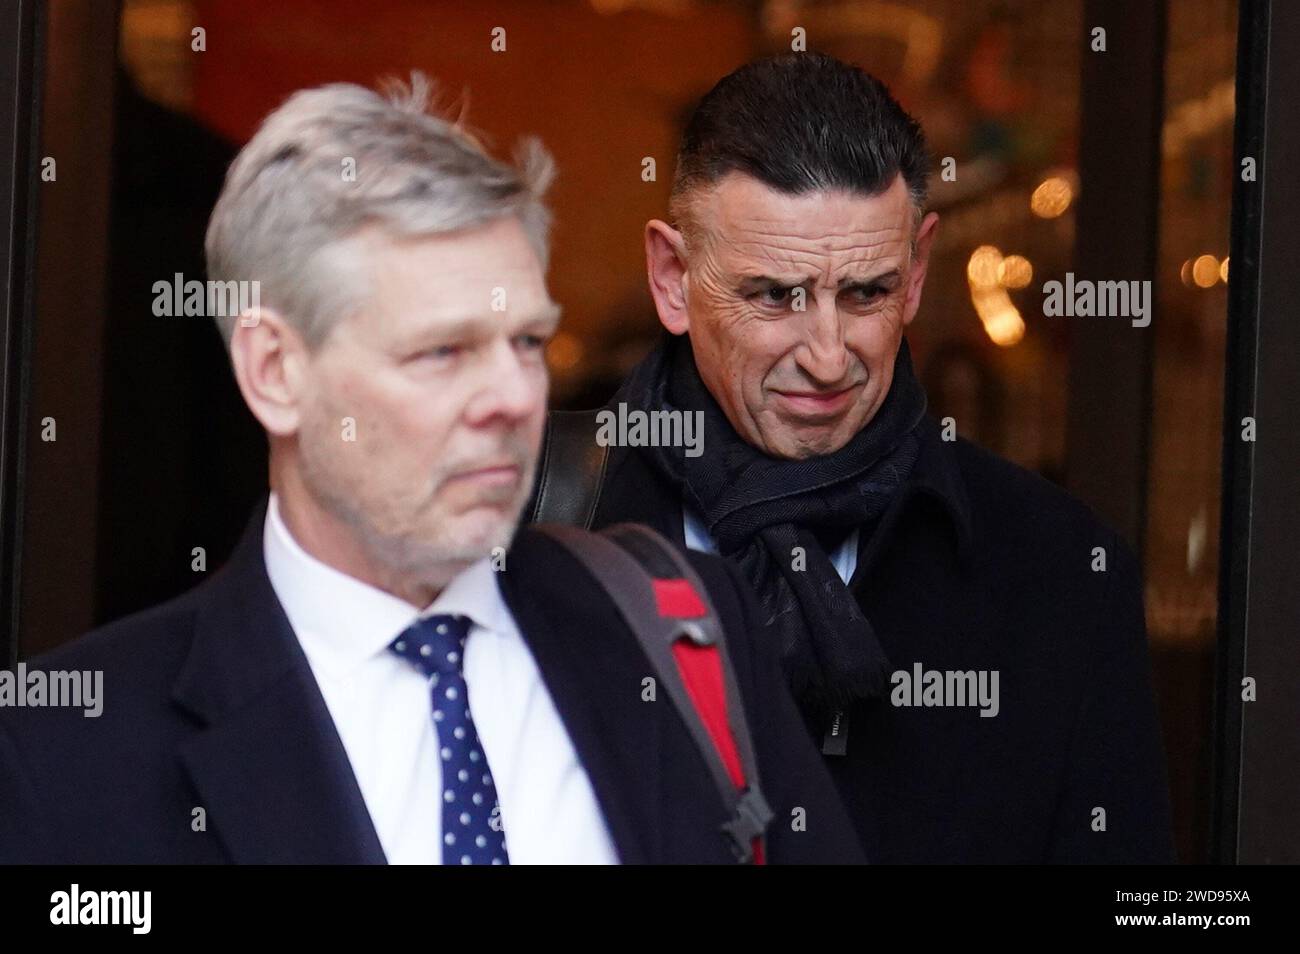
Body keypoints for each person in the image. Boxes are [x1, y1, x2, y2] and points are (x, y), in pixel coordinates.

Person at [0, 75, 862, 865]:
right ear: (275, 370)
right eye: (441, 351)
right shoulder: (66, 749)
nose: (511, 398)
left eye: (525, 341)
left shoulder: (685, 633)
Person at [527, 53, 1175, 863]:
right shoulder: (521, 533)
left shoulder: (1059, 573)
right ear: (672, 278)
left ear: (915, 275)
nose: (828, 358)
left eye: (865, 292)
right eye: (774, 296)